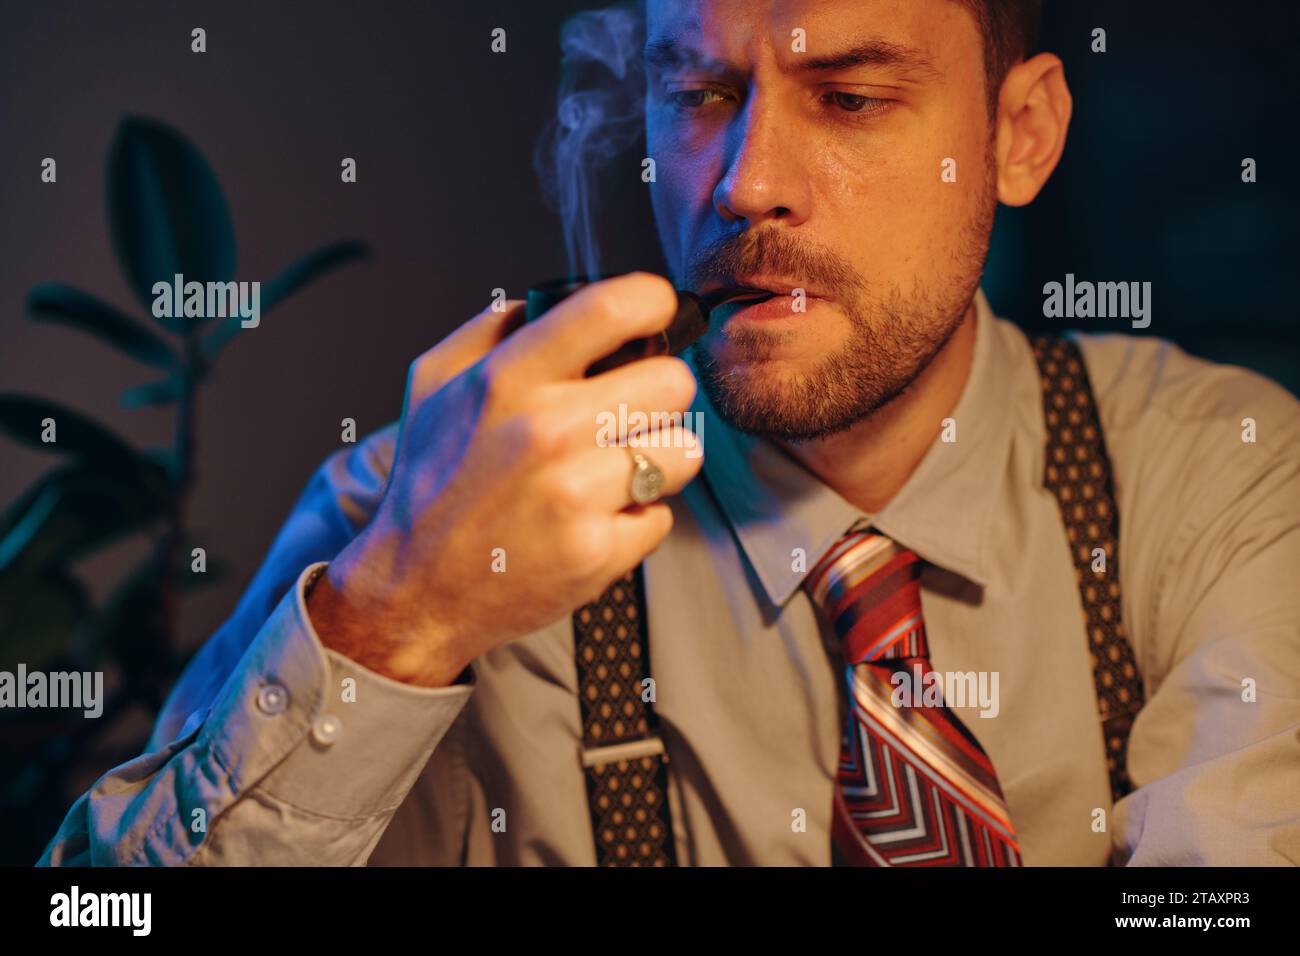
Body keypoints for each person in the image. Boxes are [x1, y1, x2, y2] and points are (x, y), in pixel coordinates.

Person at [40, 0, 1299, 866]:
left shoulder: (1219, 476)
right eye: (698, 94)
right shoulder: (433, 500)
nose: (743, 183)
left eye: (850, 98)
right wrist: (400, 614)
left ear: (1018, 136)